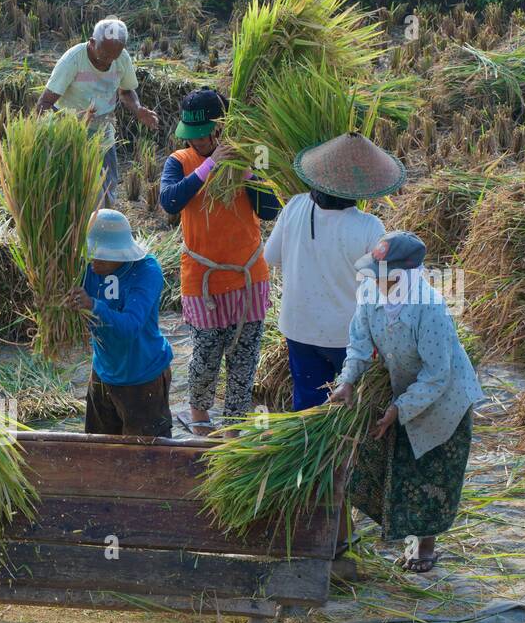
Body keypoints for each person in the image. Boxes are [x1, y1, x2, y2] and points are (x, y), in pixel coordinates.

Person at [329, 232, 484, 574]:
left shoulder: (429, 308)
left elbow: (437, 374)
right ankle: (390, 531)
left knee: (429, 469)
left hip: (445, 398)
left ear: (403, 275)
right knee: (390, 460)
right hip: (404, 386)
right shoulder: (370, 295)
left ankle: (425, 545)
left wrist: (400, 408)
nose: (374, 280)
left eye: (382, 274)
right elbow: (358, 342)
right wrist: (348, 381)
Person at [159, 88, 281, 434]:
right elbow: (169, 201)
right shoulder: (179, 160)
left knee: (244, 360)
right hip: (203, 280)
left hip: (248, 278)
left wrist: (246, 174)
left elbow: (270, 209)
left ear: (220, 128)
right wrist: (210, 166)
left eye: (203, 137)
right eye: (192, 138)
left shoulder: (254, 153)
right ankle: (199, 421)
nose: (197, 143)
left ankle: (234, 430)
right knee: (205, 356)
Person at [265, 132, 404, 410]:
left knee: (307, 408)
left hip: (298, 328)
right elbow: (388, 289)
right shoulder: (369, 226)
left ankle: (306, 453)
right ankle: (345, 453)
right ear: (360, 190)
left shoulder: (294, 206)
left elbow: (270, 257)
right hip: (348, 338)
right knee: (351, 411)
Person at [68, 210, 173, 437]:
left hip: (142, 377)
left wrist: (94, 305)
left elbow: (130, 327)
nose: (93, 261)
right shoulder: (86, 267)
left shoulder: (146, 271)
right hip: (104, 372)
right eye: (91, 253)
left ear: (120, 254)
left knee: (145, 460)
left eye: (102, 256)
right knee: (100, 452)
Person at [37, 17, 160, 207]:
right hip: (69, 128)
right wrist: (43, 137)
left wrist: (138, 110)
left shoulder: (122, 58)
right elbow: (45, 102)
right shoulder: (73, 60)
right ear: (92, 42)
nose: (108, 61)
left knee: (107, 187)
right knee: (74, 187)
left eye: (114, 56)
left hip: (103, 129)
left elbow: (126, 91)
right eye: (103, 56)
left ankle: (103, 227)